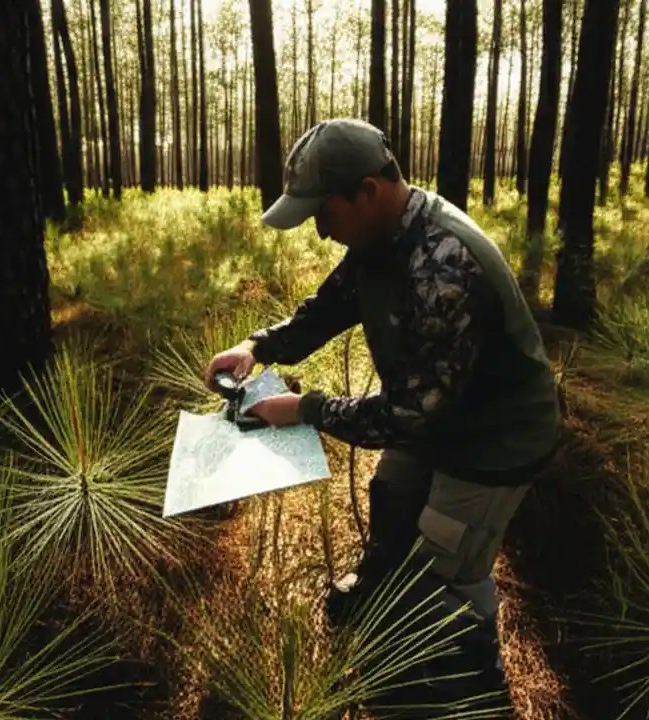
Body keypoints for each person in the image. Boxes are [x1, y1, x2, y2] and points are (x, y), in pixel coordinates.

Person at [203, 118, 559, 688]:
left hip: (495, 443)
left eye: (323, 214)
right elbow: (331, 305)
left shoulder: (445, 265)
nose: (319, 233)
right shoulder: (382, 234)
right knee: (392, 494)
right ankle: (384, 595)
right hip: (438, 417)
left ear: (366, 192)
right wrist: (258, 346)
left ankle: (467, 679)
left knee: (449, 563)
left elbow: (406, 414)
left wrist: (306, 410)